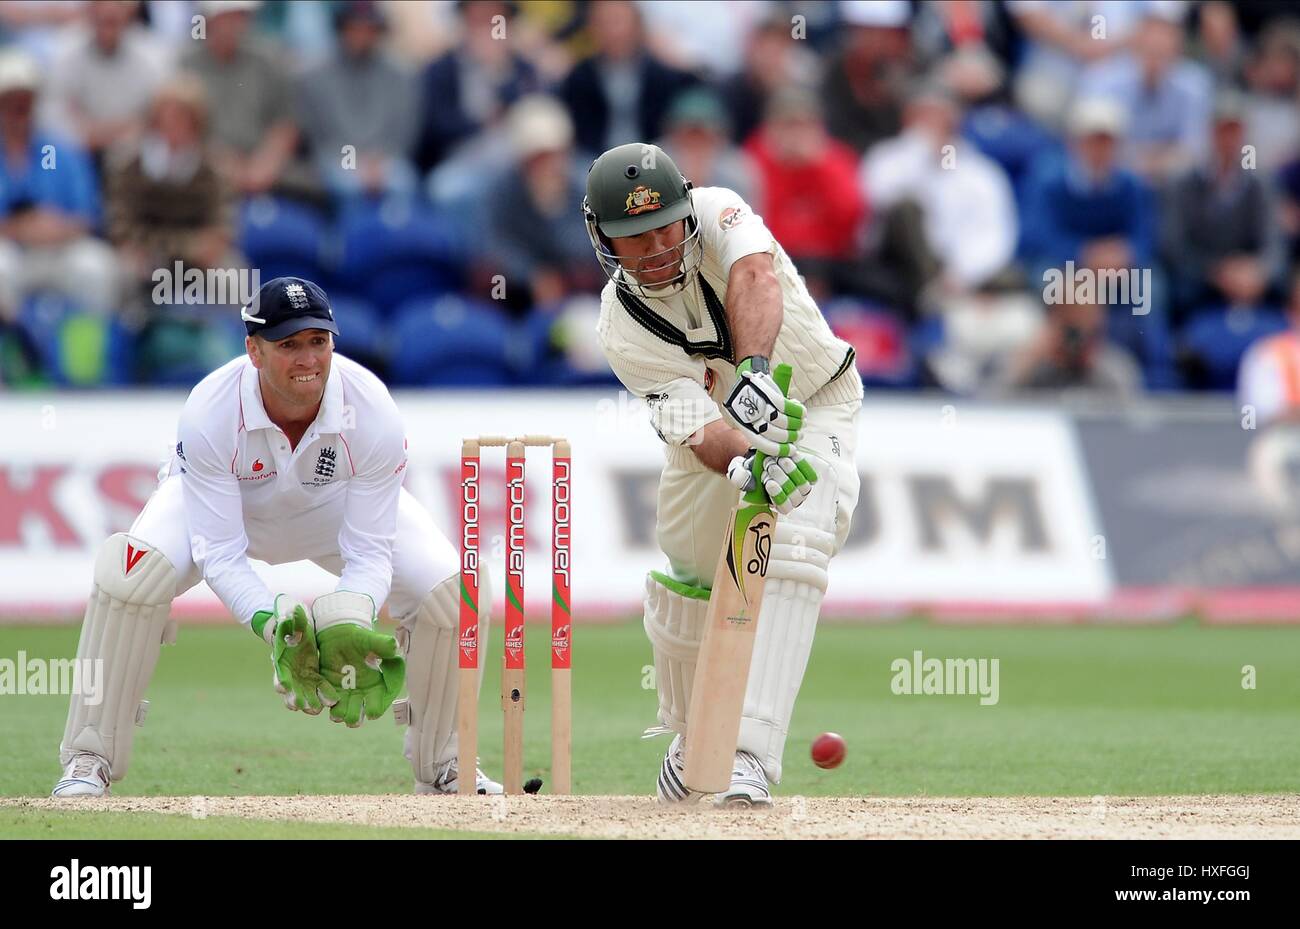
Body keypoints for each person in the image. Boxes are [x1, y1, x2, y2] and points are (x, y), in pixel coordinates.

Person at [51, 276, 502, 797]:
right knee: (130, 578)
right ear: (254, 350)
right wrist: (272, 624)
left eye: (319, 341)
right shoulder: (211, 410)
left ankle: (446, 763)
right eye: (289, 345)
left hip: (328, 508)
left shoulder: (371, 406)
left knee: (454, 594)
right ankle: (88, 758)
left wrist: (350, 619)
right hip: (223, 508)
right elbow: (218, 552)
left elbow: (371, 548)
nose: (308, 359)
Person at [582, 143, 863, 806]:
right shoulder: (620, 327)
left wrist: (757, 375)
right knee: (694, 571)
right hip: (709, 432)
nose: (653, 247)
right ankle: (690, 739)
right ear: (603, 241)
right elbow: (701, 430)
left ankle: (744, 753)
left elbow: (756, 278)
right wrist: (745, 460)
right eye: (632, 238)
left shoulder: (721, 210)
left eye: (663, 228)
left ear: (686, 212)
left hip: (815, 400)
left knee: (799, 530)